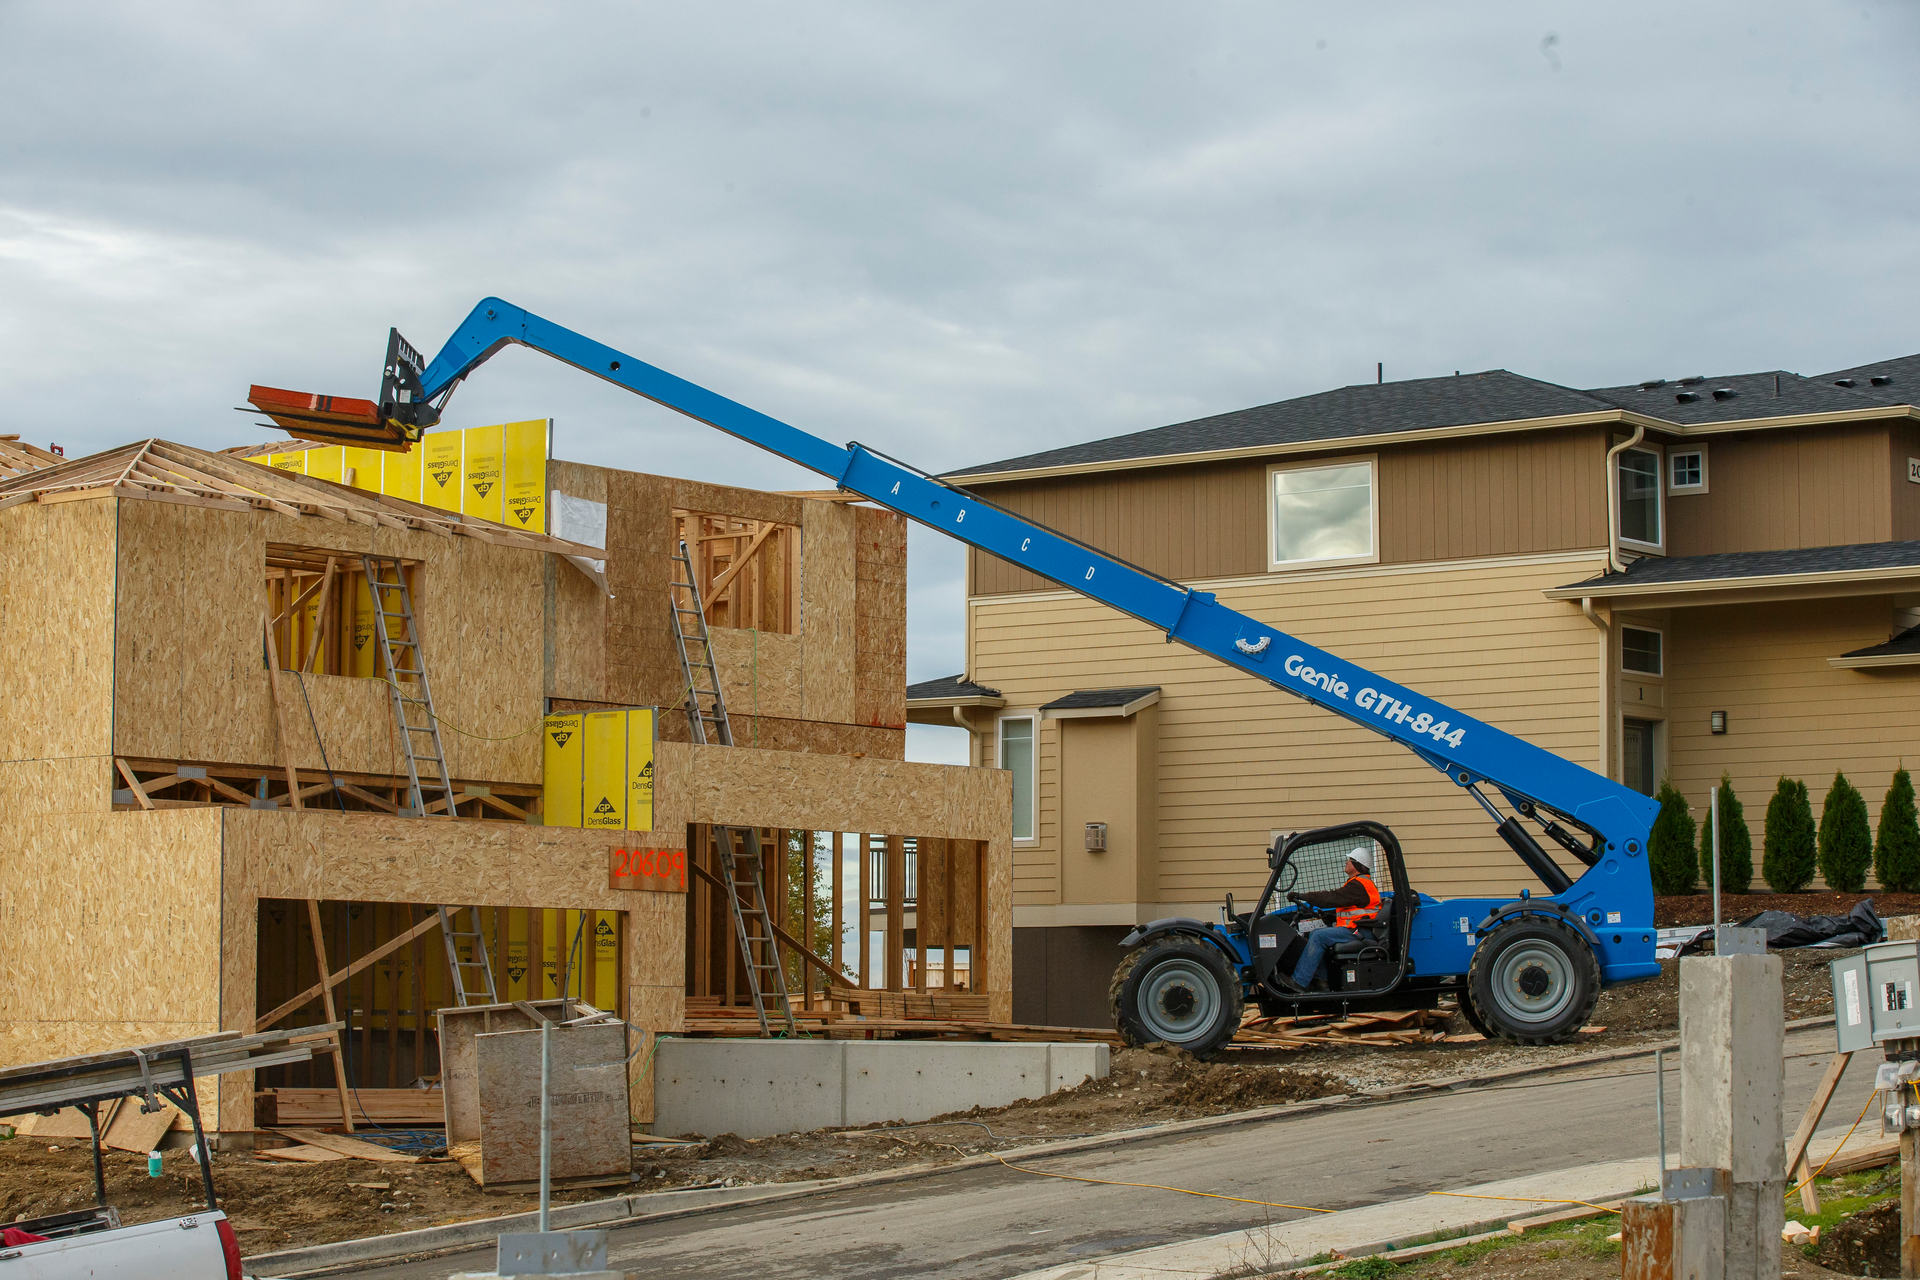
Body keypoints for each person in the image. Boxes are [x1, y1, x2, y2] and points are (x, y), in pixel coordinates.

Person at [1281, 846, 1382, 991]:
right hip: (1356, 930)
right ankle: (1321, 982)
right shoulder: (1359, 884)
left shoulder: (1359, 885)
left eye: (1349, 860)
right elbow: (1351, 910)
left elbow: (1332, 897)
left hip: (1361, 933)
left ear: (1357, 864)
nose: (1346, 862)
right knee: (1315, 934)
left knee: (1318, 936)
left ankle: (1299, 981)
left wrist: (1303, 896)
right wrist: (1331, 917)